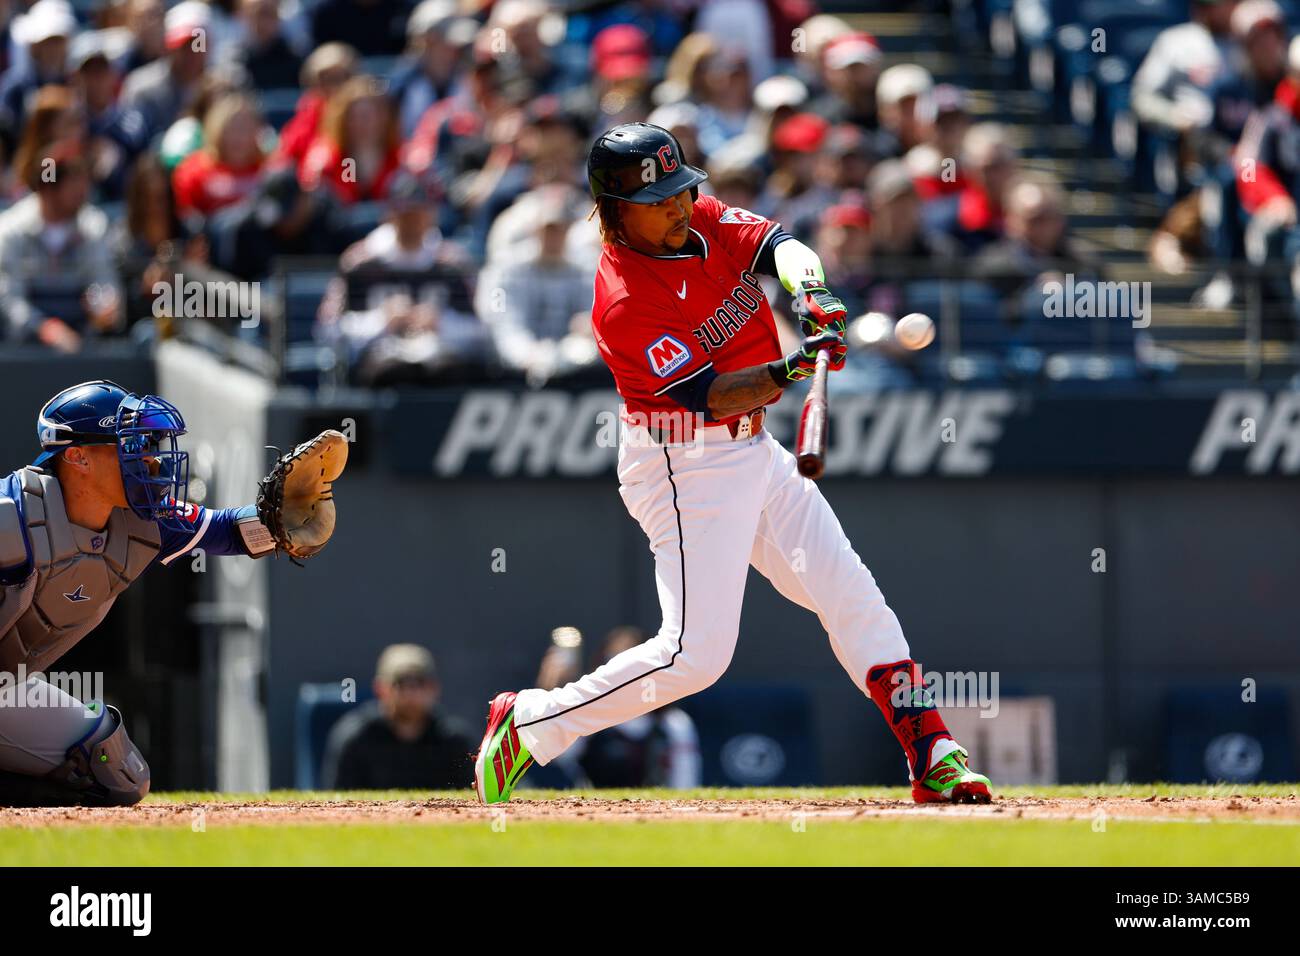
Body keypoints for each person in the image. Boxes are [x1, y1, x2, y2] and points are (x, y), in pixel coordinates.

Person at [472, 123, 993, 806]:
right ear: (612, 208)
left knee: (849, 591)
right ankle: (532, 722)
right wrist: (794, 365)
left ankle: (933, 751)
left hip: (752, 447)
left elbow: (782, 244)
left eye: (679, 191)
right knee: (695, 654)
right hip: (682, 456)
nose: (678, 207)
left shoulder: (703, 219)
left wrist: (811, 293)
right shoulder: (625, 298)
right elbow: (712, 394)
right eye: (657, 200)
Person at [0, 381, 347, 806]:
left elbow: (224, 531)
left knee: (118, 773)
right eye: (132, 443)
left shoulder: (142, 521)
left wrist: (279, 522)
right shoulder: (11, 519)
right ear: (77, 456)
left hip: (5, 685)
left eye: (147, 442)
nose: (148, 457)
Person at [0, 145, 123, 352]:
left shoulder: (94, 227)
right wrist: (43, 328)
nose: (83, 189)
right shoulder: (11, 230)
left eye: (84, 179)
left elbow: (104, 283)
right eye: (73, 180)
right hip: (22, 352)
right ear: (48, 186)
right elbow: (8, 300)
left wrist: (106, 308)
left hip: (83, 347)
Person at [321, 644, 476, 790]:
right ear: (380, 689)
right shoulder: (355, 738)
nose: (410, 693)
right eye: (400, 683)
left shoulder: (455, 741)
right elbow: (339, 800)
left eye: (419, 683)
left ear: (434, 688)